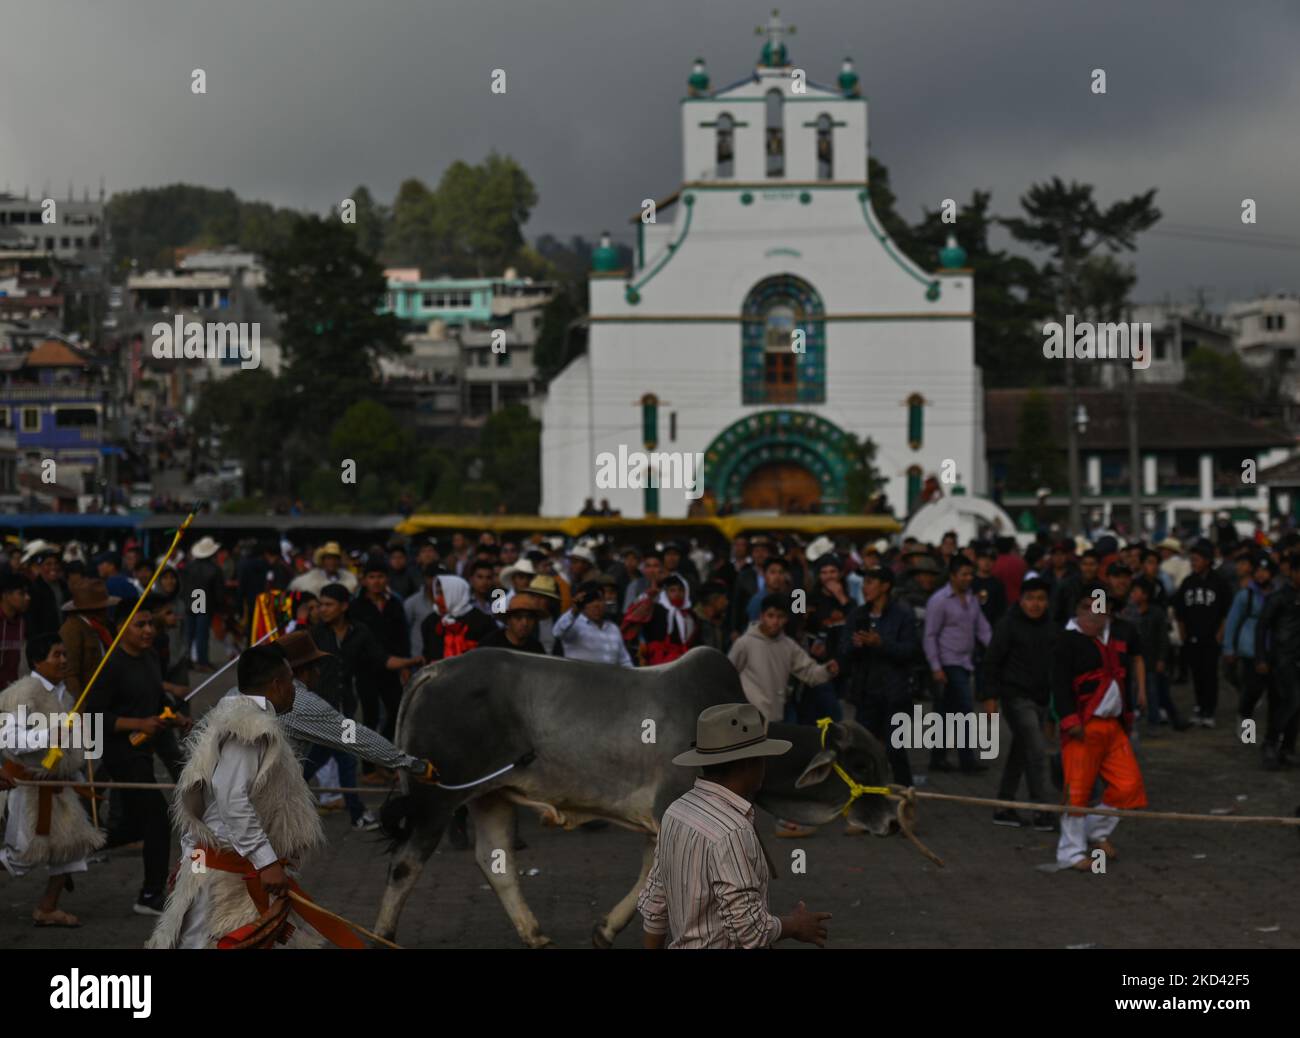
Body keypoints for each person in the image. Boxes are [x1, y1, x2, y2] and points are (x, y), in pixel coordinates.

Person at [146, 644, 340, 949]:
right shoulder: (249, 728)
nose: (294, 689)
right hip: (224, 869)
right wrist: (266, 862)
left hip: (221, 863)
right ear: (277, 684)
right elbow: (230, 797)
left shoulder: (236, 713)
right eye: (291, 681)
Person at [636, 702, 831, 949]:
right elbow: (748, 931)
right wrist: (795, 925)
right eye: (762, 758)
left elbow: (655, 904)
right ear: (749, 763)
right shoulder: (732, 832)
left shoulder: (676, 811)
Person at [84, 607, 193, 914]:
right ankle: (150, 895)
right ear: (120, 628)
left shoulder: (150, 657)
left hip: (144, 750)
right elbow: (92, 716)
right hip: (120, 752)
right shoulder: (111, 665)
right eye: (140, 625)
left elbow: (155, 697)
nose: (148, 631)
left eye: (151, 624)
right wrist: (137, 724)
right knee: (157, 817)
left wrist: (173, 717)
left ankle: (81, 847)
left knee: (134, 825)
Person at [0, 632, 106, 926]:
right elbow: (8, 739)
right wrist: (48, 735)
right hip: (30, 787)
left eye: (64, 655)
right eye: (56, 655)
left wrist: (82, 768)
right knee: (21, 857)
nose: (63, 660)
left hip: (61, 786)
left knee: (71, 849)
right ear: (37, 660)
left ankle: (48, 908)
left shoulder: (66, 694)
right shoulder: (23, 692)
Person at [1052, 586, 1147, 871]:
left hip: (1113, 726)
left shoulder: (1115, 635)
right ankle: (1071, 853)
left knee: (1128, 785)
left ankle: (1095, 831)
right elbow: (1058, 683)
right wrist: (1069, 719)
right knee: (1077, 789)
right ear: (1081, 610)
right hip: (1083, 725)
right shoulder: (1066, 641)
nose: (1099, 613)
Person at [728, 592, 838, 831]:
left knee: (770, 773)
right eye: (770, 616)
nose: (774, 622)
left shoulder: (788, 646)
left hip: (775, 719)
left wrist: (828, 670)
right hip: (748, 721)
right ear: (761, 616)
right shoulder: (745, 643)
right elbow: (727, 675)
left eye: (779, 617)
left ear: (786, 619)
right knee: (746, 774)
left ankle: (780, 819)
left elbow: (809, 672)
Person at [311, 585, 422, 759]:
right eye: (321, 605)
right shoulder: (315, 633)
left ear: (344, 606)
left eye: (328, 604)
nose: (322, 610)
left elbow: (383, 659)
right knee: (316, 757)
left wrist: (413, 661)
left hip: (347, 707)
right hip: (319, 707)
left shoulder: (359, 631)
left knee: (346, 757)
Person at [982, 577, 1057, 830]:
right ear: (1021, 600)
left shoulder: (1051, 626)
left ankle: (1003, 806)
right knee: (1036, 751)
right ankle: (1041, 810)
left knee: (1021, 750)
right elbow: (991, 661)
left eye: (1041, 599)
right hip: (1015, 697)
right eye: (1031, 599)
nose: (1036, 604)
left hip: (1041, 698)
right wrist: (989, 698)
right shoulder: (1008, 625)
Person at [845, 567, 918, 787]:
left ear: (885, 586)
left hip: (894, 693)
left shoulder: (903, 615)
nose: (865, 587)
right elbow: (843, 650)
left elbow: (911, 651)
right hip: (866, 692)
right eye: (865, 582)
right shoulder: (858, 615)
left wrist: (881, 644)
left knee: (895, 750)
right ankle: (866, 796)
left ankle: (906, 795)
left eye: (870, 582)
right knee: (862, 749)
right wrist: (854, 645)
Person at [923, 555, 992, 773]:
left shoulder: (971, 598)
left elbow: (982, 628)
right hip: (948, 662)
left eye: (970, 574)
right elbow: (930, 635)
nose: (968, 578)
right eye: (963, 574)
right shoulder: (939, 600)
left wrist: (996, 649)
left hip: (966, 661)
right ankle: (967, 761)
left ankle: (938, 758)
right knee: (964, 710)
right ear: (952, 576)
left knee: (946, 713)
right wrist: (936, 667)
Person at [349, 557, 413, 743]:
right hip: (365, 668)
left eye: (380, 576)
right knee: (370, 716)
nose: (376, 581)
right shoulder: (356, 607)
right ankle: (369, 767)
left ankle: (384, 754)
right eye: (371, 577)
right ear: (364, 580)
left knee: (397, 711)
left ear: (387, 579)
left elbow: (402, 636)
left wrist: (405, 664)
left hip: (392, 667)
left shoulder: (394, 603)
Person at [1174, 540, 1231, 728]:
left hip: (1211, 636)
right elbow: (1179, 611)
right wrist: (1182, 633)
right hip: (1191, 636)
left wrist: (1221, 633)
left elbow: (1226, 611)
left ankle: (1209, 710)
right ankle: (1199, 706)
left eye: (1196, 559)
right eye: (1192, 559)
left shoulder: (1219, 582)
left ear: (1207, 560)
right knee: (1196, 673)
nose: (1193, 563)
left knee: (1210, 674)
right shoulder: (1188, 582)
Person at [1254, 553, 1300, 769]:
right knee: (1289, 701)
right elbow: (1261, 627)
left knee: (1294, 705)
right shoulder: (1279, 597)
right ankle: (1268, 742)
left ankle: (1287, 748)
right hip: (1282, 659)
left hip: (1295, 658)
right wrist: (1261, 657)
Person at [1122, 577, 1184, 733]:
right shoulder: (1128, 612)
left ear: (1145, 595)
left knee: (1153, 692)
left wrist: (1162, 659)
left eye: (1136, 591)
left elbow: (1163, 638)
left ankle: (1154, 720)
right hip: (1134, 659)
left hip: (1151, 658)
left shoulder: (1156, 613)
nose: (1133, 594)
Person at [1223, 555, 1275, 730]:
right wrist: (1229, 647)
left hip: (1273, 648)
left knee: (1275, 693)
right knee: (1252, 690)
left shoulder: (1278, 595)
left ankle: (1275, 734)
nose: (1261, 575)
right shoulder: (1245, 595)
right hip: (1249, 648)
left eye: (1265, 571)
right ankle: (1247, 729)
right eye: (1258, 571)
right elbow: (1232, 621)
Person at [57, 577, 118, 698]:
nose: (105, 611)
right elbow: (70, 674)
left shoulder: (101, 627)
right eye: (102, 608)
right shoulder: (72, 630)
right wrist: (80, 709)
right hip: (88, 700)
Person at [419, 574, 500, 661]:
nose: (438, 598)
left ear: (456, 592)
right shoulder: (430, 622)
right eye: (437, 593)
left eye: (443, 593)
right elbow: (428, 655)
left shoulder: (483, 621)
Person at [553, 581, 635, 667]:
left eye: (599, 600)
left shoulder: (613, 628)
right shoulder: (573, 625)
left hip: (611, 679)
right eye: (590, 601)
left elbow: (625, 661)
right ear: (581, 604)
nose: (596, 605)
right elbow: (557, 632)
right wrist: (574, 610)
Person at [624, 573, 696, 665]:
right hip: (657, 663)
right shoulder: (655, 609)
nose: (677, 594)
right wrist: (648, 598)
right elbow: (633, 618)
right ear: (665, 593)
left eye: (681, 590)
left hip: (682, 661)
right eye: (672, 590)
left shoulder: (690, 616)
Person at [181, 536, 224, 671]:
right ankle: (202, 662)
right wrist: (220, 606)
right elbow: (218, 592)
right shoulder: (215, 569)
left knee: (188, 634)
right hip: (205, 604)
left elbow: (183, 586)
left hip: (190, 603)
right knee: (202, 635)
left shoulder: (188, 567)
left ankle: (186, 659)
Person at [480, 592, 547, 653]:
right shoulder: (490, 644)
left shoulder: (536, 649)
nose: (525, 623)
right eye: (518, 617)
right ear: (508, 620)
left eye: (530, 618)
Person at [287, 541, 359, 597]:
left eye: (335, 558)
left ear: (339, 561)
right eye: (329, 558)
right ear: (322, 561)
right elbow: (292, 593)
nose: (332, 562)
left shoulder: (350, 579)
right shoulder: (308, 579)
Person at [0, 571, 31, 686]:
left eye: (28, 593)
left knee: (23, 705)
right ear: (6, 595)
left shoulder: (23, 623)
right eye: (21, 593)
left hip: (17, 692)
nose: (28, 598)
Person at [691, 581, 731, 653]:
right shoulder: (694, 623)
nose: (726, 602)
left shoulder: (724, 622)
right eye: (724, 598)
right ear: (713, 600)